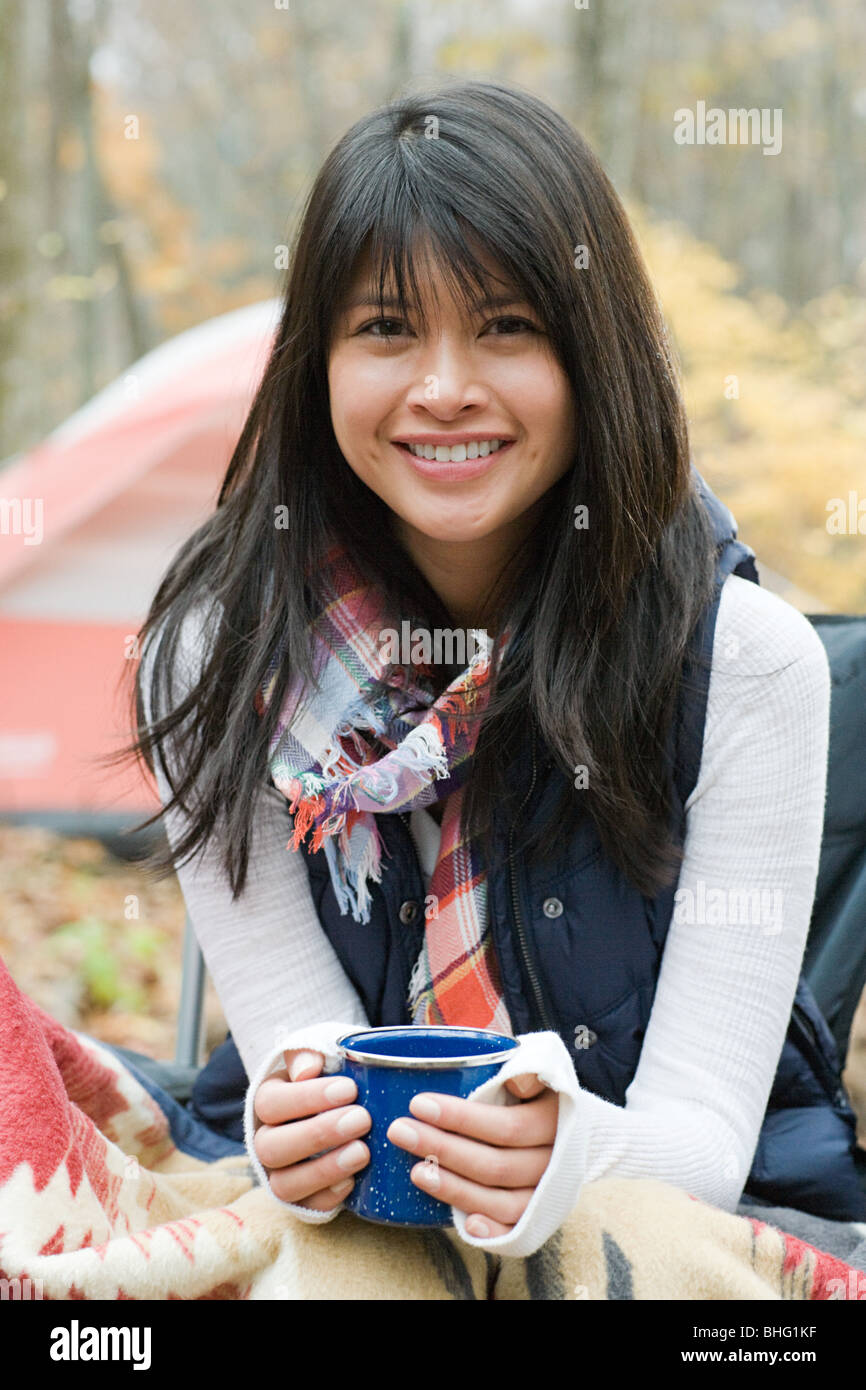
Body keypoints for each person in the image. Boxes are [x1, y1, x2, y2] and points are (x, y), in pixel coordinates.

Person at [119, 77, 863, 1263]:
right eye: (385, 329)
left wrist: (567, 1151)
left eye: (506, 326)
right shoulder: (213, 659)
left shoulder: (744, 664)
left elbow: (702, 1141)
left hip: (695, 1229)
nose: (443, 385)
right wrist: (292, 1136)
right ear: (316, 363)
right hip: (361, 1233)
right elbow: (293, 1048)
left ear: (591, 354)